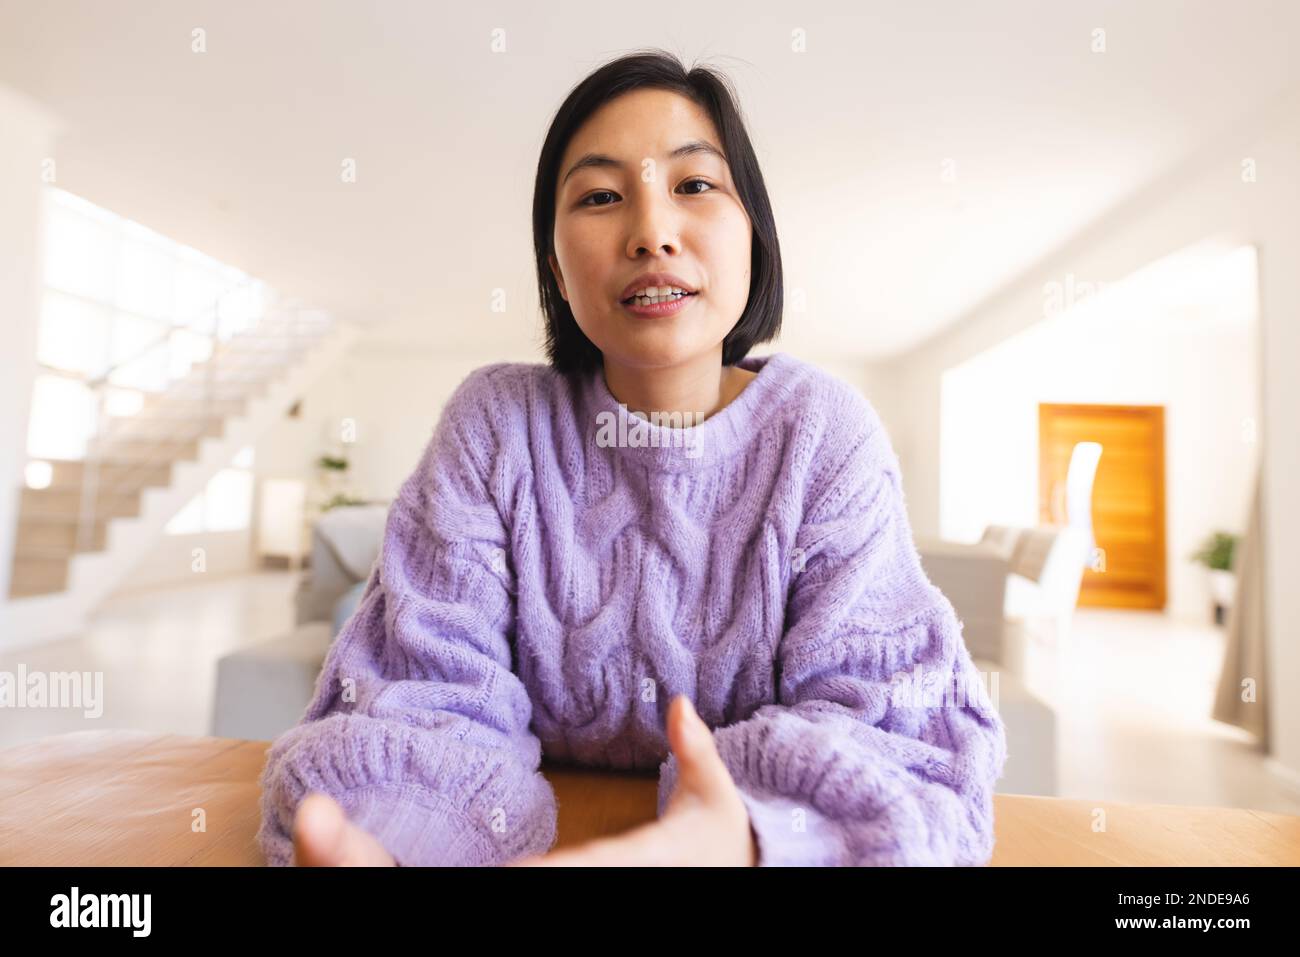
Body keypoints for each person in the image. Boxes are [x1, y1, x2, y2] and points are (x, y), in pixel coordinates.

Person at [256, 48, 1007, 867]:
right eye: (602, 196)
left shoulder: (824, 435)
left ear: (752, 232)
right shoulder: (494, 425)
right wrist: (390, 838)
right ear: (556, 270)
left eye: (694, 186)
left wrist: (741, 836)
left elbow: (884, 719)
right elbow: (426, 692)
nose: (651, 233)